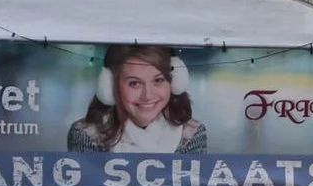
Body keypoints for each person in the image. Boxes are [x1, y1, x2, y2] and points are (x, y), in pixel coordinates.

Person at [68, 45, 208, 153]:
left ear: (174, 82)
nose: (147, 96)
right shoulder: (86, 134)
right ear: (110, 86)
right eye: (134, 83)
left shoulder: (192, 134)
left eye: (158, 80)